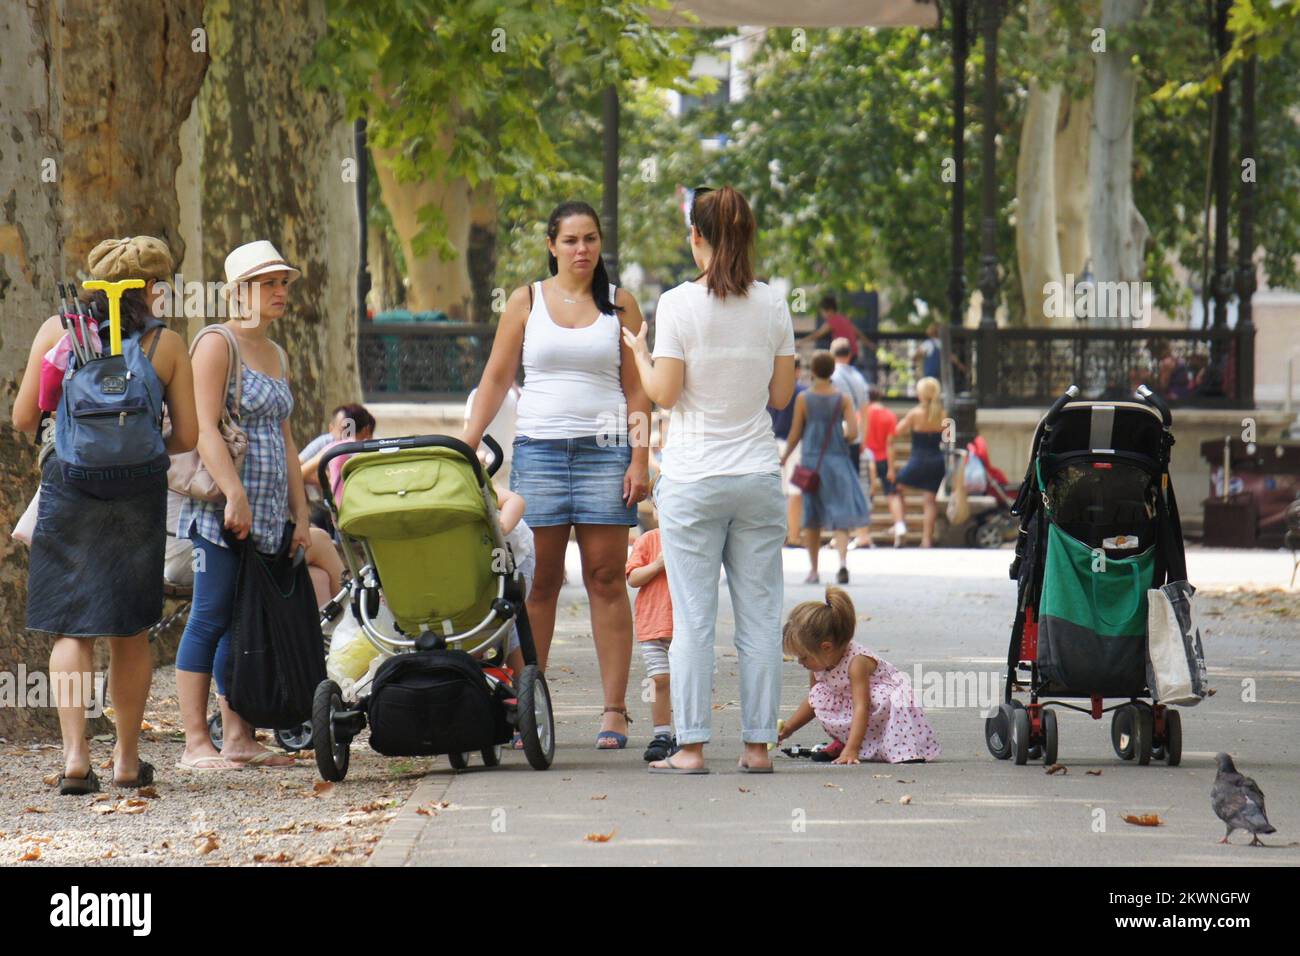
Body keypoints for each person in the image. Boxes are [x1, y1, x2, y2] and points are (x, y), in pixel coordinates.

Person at [462, 200, 651, 750]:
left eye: (590, 239)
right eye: (570, 240)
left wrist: (640, 458)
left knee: (607, 579)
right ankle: (531, 708)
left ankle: (614, 711)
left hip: (607, 452)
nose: (582, 249)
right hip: (540, 453)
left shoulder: (621, 304)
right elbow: (496, 379)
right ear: (552, 245)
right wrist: (465, 446)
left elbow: (639, 387)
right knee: (538, 583)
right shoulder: (525, 301)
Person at [13, 236, 199, 792]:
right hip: (137, 494)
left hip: (68, 486)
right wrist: (137, 453)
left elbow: (24, 417)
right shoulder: (165, 343)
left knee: (72, 627)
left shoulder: (57, 331)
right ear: (151, 289)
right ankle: (126, 759)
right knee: (129, 626)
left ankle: (75, 758)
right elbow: (187, 435)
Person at [623, 184, 796, 774]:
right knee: (759, 615)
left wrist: (642, 354)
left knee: (693, 618)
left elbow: (664, 393)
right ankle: (756, 747)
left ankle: (691, 747)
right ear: (748, 235)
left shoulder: (676, 304)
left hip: (694, 478)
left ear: (695, 235)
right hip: (755, 474)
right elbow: (779, 396)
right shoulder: (773, 304)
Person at [175, 240, 311, 772]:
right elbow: (202, 428)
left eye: (283, 283)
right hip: (221, 512)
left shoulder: (276, 353)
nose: (280, 292)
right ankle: (193, 743)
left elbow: (287, 439)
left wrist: (300, 514)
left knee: (244, 622)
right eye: (269, 283)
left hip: (269, 516)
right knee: (210, 615)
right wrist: (235, 494)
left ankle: (238, 736)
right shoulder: (216, 344)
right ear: (240, 291)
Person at [778, 588, 940, 764]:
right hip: (857, 707)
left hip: (885, 708)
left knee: (882, 699)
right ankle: (845, 741)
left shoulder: (856, 663)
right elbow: (813, 702)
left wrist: (852, 750)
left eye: (803, 657)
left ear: (826, 647)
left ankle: (888, 746)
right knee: (822, 696)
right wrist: (788, 729)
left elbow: (861, 706)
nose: (800, 662)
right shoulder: (819, 664)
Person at [781, 351, 870, 585]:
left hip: (812, 462)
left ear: (813, 371)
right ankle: (842, 563)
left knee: (812, 516)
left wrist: (785, 457)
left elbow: (795, 433)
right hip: (838, 461)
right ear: (832, 371)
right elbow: (853, 432)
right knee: (840, 513)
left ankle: (813, 570)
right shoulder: (843, 399)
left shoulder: (804, 399)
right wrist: (842, 438)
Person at [625, 525, 676, 762]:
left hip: (686, 626)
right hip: (653, 623)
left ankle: (688, 733)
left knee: (693, 681)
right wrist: (657, 564)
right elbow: (633, 578)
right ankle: (661, 733)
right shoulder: (647, 540)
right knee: (656, 681)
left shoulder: (697, 534)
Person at [888, 376, 947, 548]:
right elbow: (949, 439)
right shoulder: (943, 414)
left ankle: (901, 525)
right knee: (929, 500)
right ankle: (926, 539)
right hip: (937, 460)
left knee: (896, 488)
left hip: (918, 459)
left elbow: (895, 432)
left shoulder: (915, 414)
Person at [768, 357, 808, 547]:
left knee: (774, 491)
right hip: (795, 445)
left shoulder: (769, 390)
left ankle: (777, 534)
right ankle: (793, 535)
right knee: (795, 492)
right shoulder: (802, 392)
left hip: (771, 442)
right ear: (798, 371)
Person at [857, 385, 898, 548]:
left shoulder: (860, 414)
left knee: (865, 497)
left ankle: (864, 534)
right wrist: (891, 467)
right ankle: (899, 525)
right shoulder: (889, 415)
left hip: (866, 458)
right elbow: (890, 443)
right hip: (883, 459)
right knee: (892, 493)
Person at [798, 295, 871, 362]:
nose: (822, 314)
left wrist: (802, 341)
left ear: (829, 310)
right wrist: (869, 344)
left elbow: (818, 334)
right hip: (853, 352)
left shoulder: (832, 321)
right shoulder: (843, 318)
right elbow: (857, 332)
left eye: (822, 312)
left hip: (843, 353)